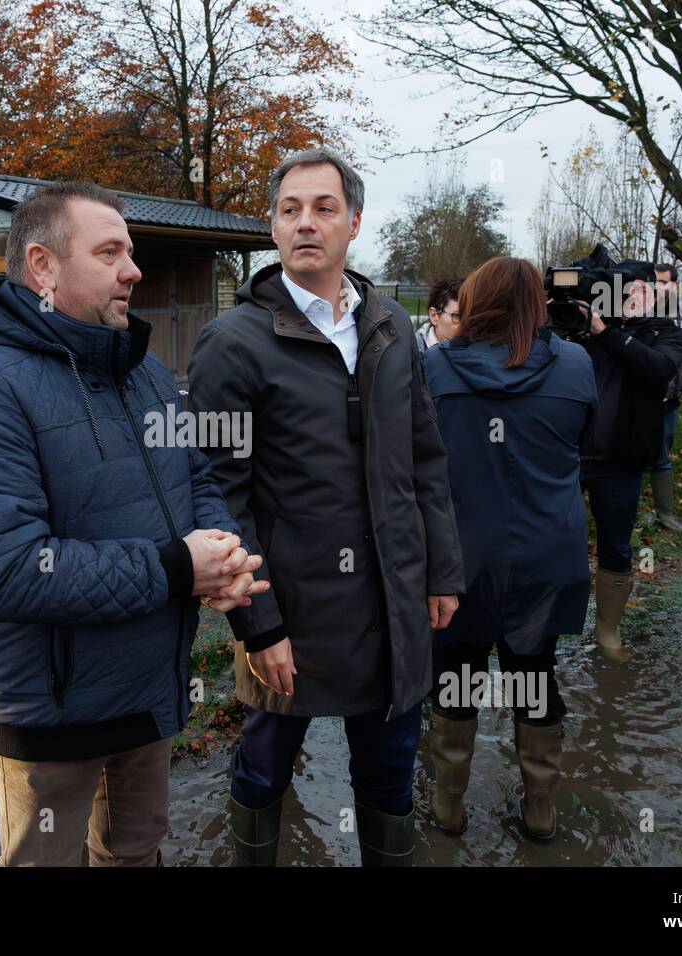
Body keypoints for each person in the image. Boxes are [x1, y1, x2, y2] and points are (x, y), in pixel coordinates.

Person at [0, 182, 267, 867]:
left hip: (144, 688)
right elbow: (7, 571)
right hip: (47, 710)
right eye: (110, 252)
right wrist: (177, 567)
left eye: (130, 252)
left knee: (135, 852)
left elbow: (195, 477)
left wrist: (223, 554)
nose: (133, 270)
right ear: (44, 267)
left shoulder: (137, 370)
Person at [187, 147, 464, 866]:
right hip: (292, 613)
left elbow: (426, 459)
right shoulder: (231, 343)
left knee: (389, 771)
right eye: (290, 210)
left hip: (394, 602)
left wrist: (441, 572)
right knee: (264, 768)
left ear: (355, 224)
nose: (306, 223)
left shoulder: (393, 327)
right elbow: (220, 496)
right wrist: (258, 623)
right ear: (273, 230)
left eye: (324, 208)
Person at [422, 256, 596, 841]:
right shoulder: (575, 366)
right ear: (535, 305)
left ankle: (449, 808)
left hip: (460, 558)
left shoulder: (435, 368)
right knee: (536, 674)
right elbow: (585, 450)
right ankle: (540, 811)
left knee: (456, 676)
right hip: (547, 553)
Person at [575, 262, 682, 658]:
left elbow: (657, 370)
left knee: (617, 547)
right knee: (556, 542)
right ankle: (550, 625)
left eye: (645, 288)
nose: (636, 294)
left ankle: (608, 631)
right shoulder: (581, 328)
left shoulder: (666, 334)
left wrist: (607, 333)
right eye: (628, 288)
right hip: (567, 457)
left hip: (621, 461)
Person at [646, 263, 682, 531]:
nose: (658, 287)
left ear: (674, 285)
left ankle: (665, 514)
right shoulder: (634, 308)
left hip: (668, 399)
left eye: (664, 282)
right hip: (635, 397)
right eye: (654, 281)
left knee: (662, 454)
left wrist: (671, 376)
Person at [416, 277, 464, 353]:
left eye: (470, 316)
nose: (465, 323)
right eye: (457, 316)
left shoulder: (481, 353)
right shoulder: (410, 354)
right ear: (434, 316)